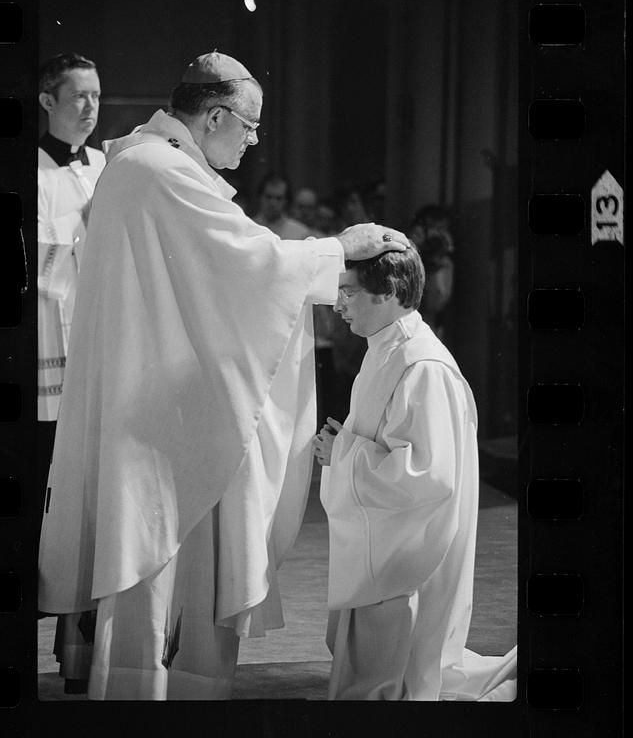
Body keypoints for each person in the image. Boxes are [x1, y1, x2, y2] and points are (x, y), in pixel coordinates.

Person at [37, 50, 409, 701]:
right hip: (157, 421)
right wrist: (338, 248)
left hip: (159, 402)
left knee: (163, 567)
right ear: (214, 114)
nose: (255, 138)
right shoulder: (158, 170)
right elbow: (247, 265)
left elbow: (224, 273)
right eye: (250, 123)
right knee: (155, 564)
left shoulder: (145, 160)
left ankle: (151, 687)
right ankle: (146, 697)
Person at [313, 244, 516, 701]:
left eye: (348, 292)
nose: (338, 305)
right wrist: (345, 445)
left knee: (389, 689)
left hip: (409, 549)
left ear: (387, 292)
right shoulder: (384, 348)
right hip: (388, 537)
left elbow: (427, 475)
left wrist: (342, 452)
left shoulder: (422, 365)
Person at [37, 51, 105, 694]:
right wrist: (90, 248)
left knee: (89, 512)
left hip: (99, 362)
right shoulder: (28, 172)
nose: (89, 106)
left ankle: (80, 658)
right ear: (47, 101)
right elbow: (35, 262)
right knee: (39, 508)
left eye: (95, 95)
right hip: (43, 365)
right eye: (77, 95)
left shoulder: (107, 168)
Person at [408, 203, 455, 342]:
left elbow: (439, 299)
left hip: (432, 328)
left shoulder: (444, 262)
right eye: (433, 229)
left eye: (442, 229)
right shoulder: (405, 256)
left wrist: (439, 256)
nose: (437, 236)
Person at [253, 172, 313, 239]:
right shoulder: (247, 229)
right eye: (268, 197)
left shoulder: (301, 233)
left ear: (286, 201)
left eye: (278, 198)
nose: (273, 203)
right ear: (260, 197)